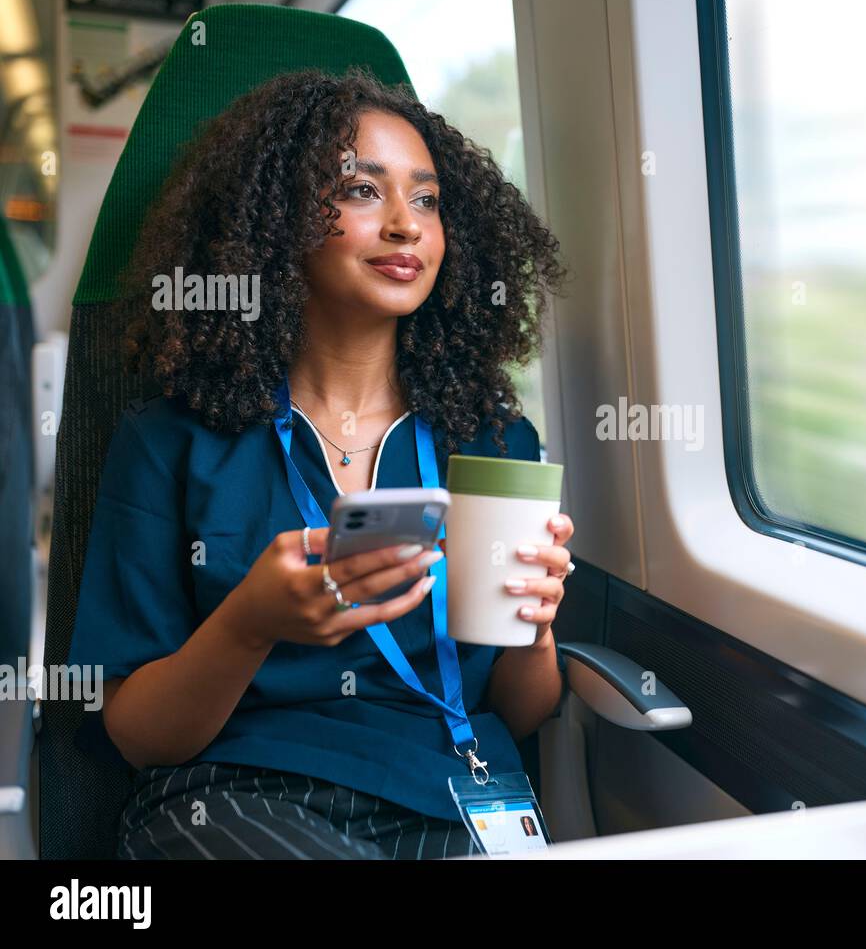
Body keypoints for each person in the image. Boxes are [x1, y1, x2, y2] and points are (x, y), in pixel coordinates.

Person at [67, 67, 574, 860]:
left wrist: (536, 630)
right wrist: (250, 625)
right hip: (239, 796)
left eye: (428, 199)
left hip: (457, 798)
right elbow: (137, 736)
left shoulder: (494, 446)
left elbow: (519, 710)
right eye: (363, 192)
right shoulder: (169, 442)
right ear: (277, 221)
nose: (407, 225)